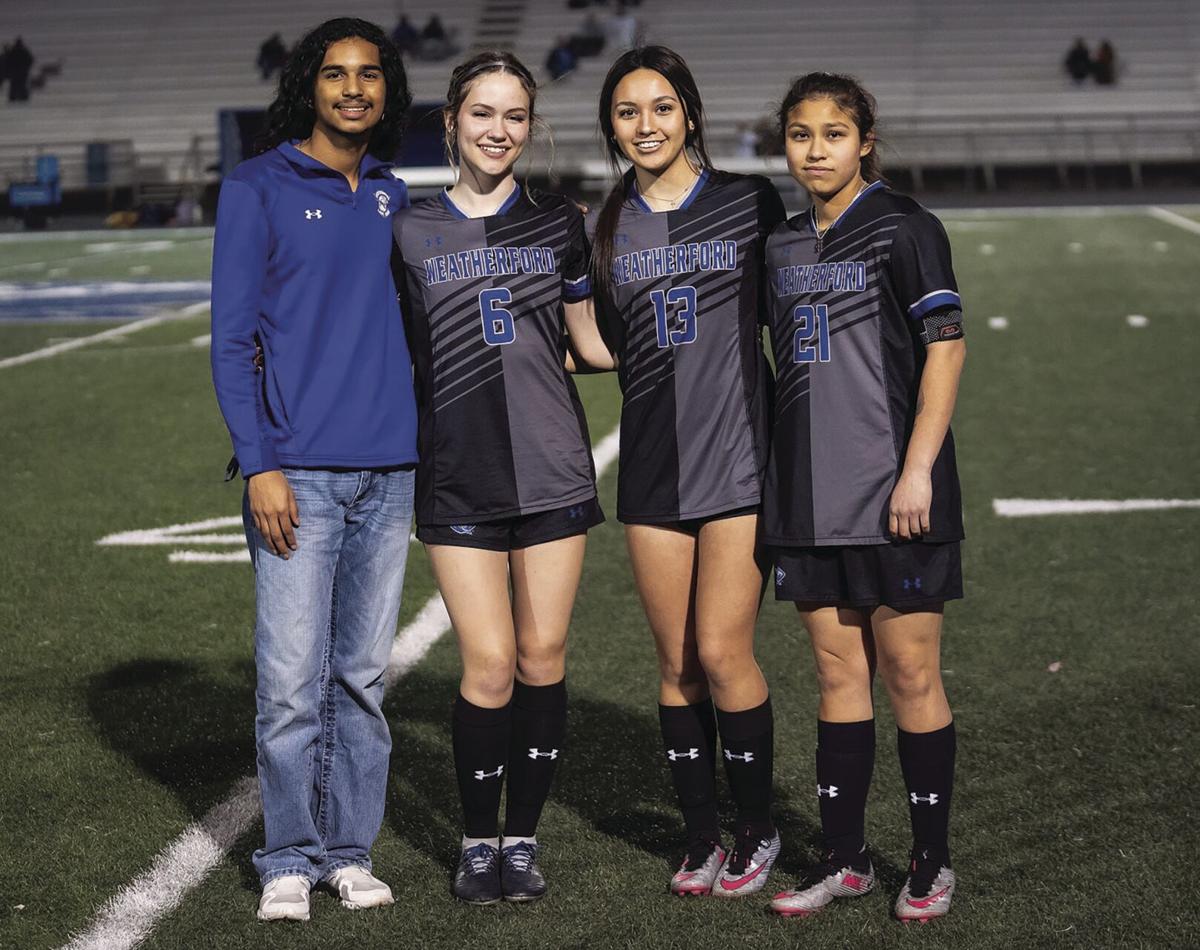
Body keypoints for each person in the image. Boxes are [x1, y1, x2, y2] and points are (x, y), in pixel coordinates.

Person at [390, 50, 613, 906]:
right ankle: (476, 842)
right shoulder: (409, 229)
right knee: (487, 665)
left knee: (542, 655)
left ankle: (522, 841)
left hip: (552, 466)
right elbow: (390, 350)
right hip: (457, 473)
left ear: (532, 127)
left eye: (514, 116)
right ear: (452, 121)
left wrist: (700, 353)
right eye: (483, 113)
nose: (498, 130)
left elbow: (588, 344)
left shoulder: (560, 222)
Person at [210, 17, 417, 922]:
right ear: (310, 86)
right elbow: (230, 341)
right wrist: (260, 464)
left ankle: (348, 850)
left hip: (392, 471)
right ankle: (288, 855)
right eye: (336, 75)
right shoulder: (256, 186)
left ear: (386, 89)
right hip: (297, 474)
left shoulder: (394, 193)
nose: (354, 89)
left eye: (369, 75)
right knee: (292, 682)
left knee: (362, 681)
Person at [759, 72, 966, 923]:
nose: (816, 150)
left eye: (833, 134)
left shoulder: (905, 226)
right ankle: (844, 860)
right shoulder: (779, 243)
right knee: (837, 675)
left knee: (912, 674)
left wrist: (917, 469)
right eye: (801, 135)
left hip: (895, 494)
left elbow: (945, 349)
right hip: (808, 495)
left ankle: (930, 861)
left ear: (865, 139)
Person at [589, 46, 786, 898]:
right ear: (612, 127)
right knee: (675, 663)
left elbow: (797, 303)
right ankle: (702, 836)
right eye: (629, 112)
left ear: (691, 115)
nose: (646, 125)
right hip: (655, 466)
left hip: (742, 455)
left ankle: (758, 828)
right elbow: (597, 343)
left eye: (662, 108)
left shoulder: (748, 201)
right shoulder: (605, 226)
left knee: (722, 648)